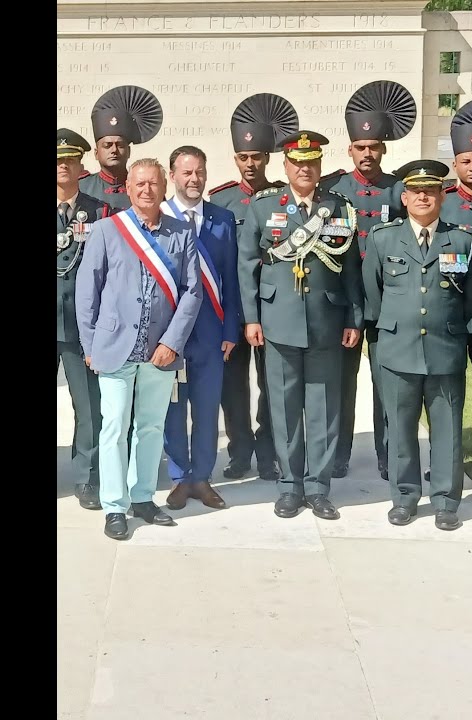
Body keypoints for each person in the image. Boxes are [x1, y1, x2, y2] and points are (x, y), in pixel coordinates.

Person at [237, 130, 363, 520]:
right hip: (278, 322)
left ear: (320, 166)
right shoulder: (263, 207)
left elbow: (351, 269)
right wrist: (252, 318)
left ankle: (319, 487)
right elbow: (247, 267)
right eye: (297, 162)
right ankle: (290, 486)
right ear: (286, 166)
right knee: (285, 406)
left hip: (326, 319)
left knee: (324, 407)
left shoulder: (341, 208)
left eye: (311, 162)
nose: (305, 169)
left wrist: (354, 317)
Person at [76, 159, 202, 540]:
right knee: (114, 427)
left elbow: (192, 292)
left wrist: (172, 342)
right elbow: (87, 293)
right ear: (128, 189)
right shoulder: (106, 231)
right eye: (140, 184)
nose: (147, 190)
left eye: (154, 184)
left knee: (150, 427)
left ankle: (144, 498)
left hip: (160, 351)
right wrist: (89, 345)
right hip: (114, 347)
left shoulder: (181, 233)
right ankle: (115, 505)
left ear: (164, 188)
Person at [362, 160, 472, 531]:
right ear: (405, 196)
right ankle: (404, 497)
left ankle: (447, 500)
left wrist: (455, 330)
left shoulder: (462, 239)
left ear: (441, 196)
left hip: (445, 348)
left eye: (430, 190)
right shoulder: (383, 238)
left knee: (446, 428)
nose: (423, 197)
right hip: (397, 348)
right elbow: (374, 291)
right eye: (416, 190)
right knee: (399, 428)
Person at [320, 81, 416, 481]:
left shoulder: (398, 190)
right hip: (343, 301)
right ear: (350, 149)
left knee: (386, 383)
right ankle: (339, 453)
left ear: (383, 149)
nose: (367, 154)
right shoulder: (333, 188)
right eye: (360, 147)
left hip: (386, 302)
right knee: (340, 384)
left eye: (374, 147)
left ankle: (387, 454)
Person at [208, 94, 296, 483]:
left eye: (257, 156)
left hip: (273, 306)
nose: (250, 164)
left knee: (272, 385)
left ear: (267, 158)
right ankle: (240, 451)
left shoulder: (281, 198)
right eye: (244, 157)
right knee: (233, 388)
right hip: (233, 308)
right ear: (236, 159)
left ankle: (269, 453)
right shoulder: (221, 199)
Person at [160, 146, 240, 511]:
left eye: (200, 172)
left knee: (207, 408)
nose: (194, 179)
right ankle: (180, 477)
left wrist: (229, 331)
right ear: (173, 175)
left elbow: (231, 280)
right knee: (173, 409)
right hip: (171, 335)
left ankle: (203, 476)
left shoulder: (222, 220)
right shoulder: (159, 218)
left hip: (210, 334)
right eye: (186, 173)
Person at [57, 129, 113, 509]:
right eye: (57, 162)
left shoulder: (101, 212)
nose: (63, 166)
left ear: (82, 167)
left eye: (70, 161)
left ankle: (86, 476)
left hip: (81, 325)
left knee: (89, 405)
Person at [440, 97, 472, 468]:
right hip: (450, 318)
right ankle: (448, 456)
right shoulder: (442, 203)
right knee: (447, 392)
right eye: (467, 161)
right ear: (455, 164)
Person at [78, 86, 163, 211]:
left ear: (129, 152)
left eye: (120, 145)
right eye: (107, 145)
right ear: (96, 153)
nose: (114, 150)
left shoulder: (145, 188)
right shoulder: (80, 187)